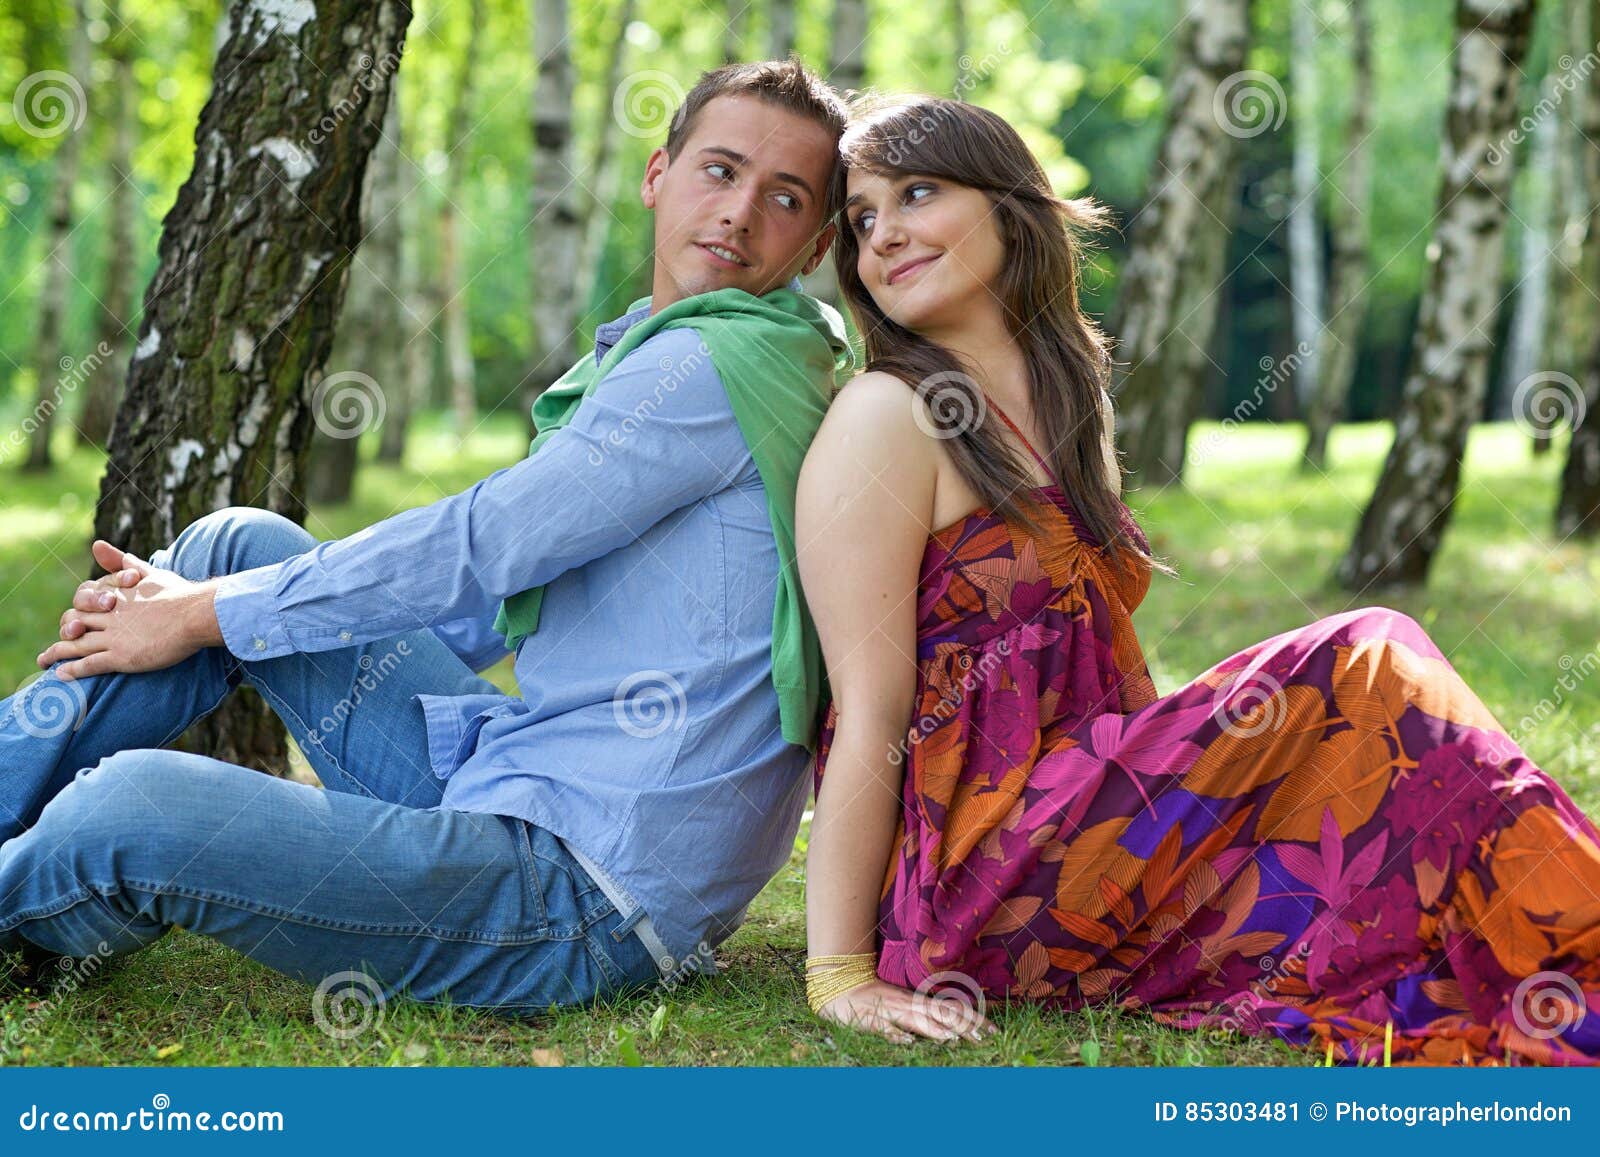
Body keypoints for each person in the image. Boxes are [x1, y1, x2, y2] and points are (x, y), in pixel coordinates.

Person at [1, 59, 851, 1016]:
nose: (739, 213)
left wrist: (207, 618)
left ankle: (38, 887)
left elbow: (486, 542)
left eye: (783, 197)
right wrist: (232, 615)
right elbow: (511, 583)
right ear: (659, 174)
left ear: (818, 239)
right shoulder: (698, 346)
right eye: (720, 171)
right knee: (238, 544)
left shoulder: (715, 364)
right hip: (528, 782)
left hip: (583, 889)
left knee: (133, 808)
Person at [795, 94, 1600, 1065]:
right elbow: (868, 711)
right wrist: (840, 970)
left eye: (915, 193)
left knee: (1368, 787)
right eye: (862, 217)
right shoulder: (886, 415)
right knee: (1366, 659)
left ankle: (1565, 941)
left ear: (1009, 204)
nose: (882, 236)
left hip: (1090, 822)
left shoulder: (1062, 393)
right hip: (980, 880)